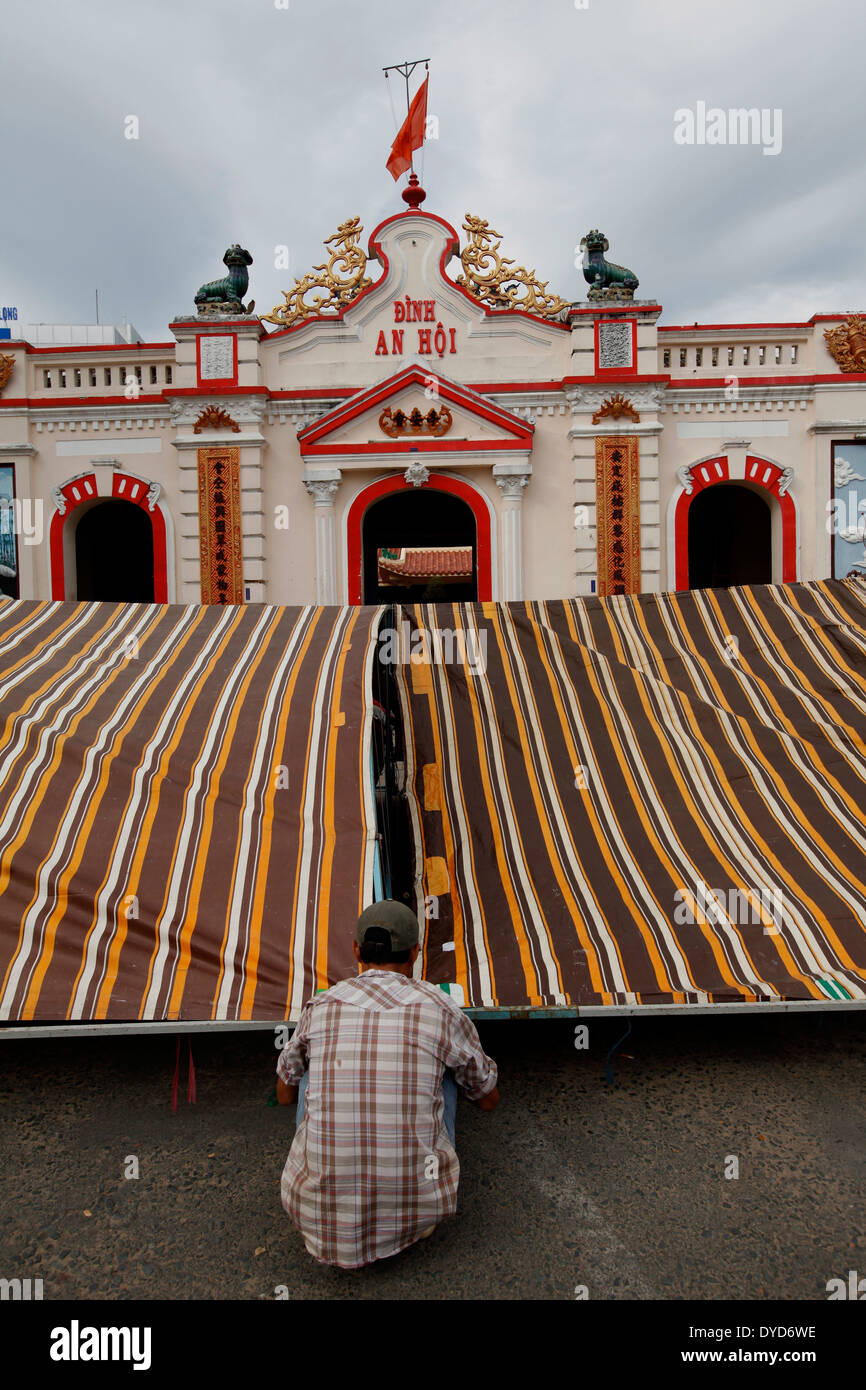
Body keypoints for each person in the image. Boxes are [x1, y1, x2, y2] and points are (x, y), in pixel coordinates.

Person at [275, 900, 499, 1269]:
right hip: (418, 1208)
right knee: (446, 1066)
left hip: (315, 1214)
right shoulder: (439, 1008)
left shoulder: (322, 1006)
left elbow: (284, 1094)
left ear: (356, 950)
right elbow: (488, 1099)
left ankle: (330, 1169)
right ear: (414, 953)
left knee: (310, 1068)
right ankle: (409, 1198)